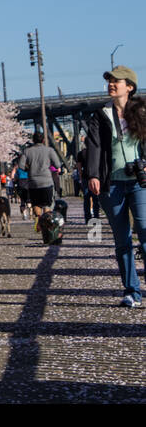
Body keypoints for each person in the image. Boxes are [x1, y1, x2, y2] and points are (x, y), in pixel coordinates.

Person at [85, 66, 146, 308]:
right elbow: (94, 146)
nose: (111, 84)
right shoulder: (101, 115)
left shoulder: (141, 112)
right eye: (109, 80)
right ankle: (132, 291)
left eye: (116, 81)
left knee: (143, 228)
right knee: (122, 239)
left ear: (129, 86)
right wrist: (93, 174)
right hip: (112, 183)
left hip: (139, 182)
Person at [15, 132, 61, 231]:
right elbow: (57, 164)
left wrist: (29, 169)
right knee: (47, 204)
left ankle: (39, 220)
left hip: (33, 182)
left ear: (33, 141)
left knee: (36, 203)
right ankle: (47, 223)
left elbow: (21, 165)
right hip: (47, 181)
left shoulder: (27, 151)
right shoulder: (49, 150)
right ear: (43, 140)